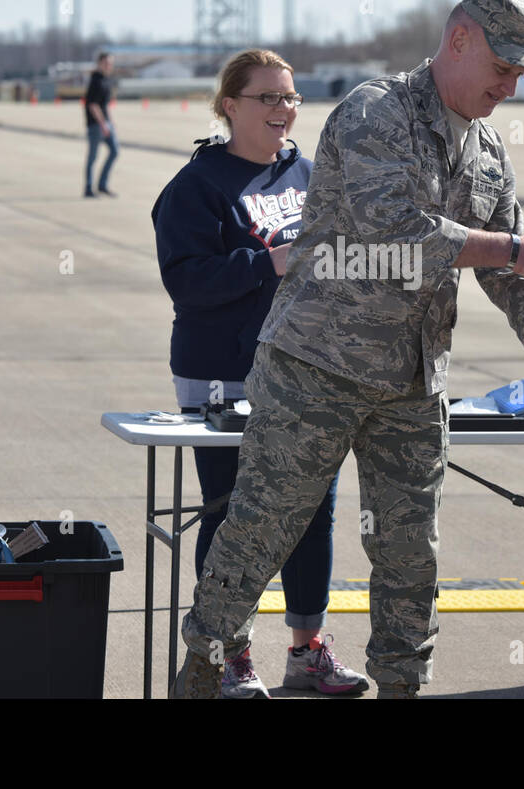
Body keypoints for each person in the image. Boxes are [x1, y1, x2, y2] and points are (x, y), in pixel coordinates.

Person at [171, 0, 524, 699]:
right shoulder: (377, 111)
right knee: (258, 532)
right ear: (459, 38)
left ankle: (404, 686)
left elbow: (501, 260)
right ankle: (204, 670)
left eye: (518, 74)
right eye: (501, 68)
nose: (508, 86)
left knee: (411, 555)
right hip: (317, 365)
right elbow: (400, 232)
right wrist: (517, 251)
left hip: (413, 382)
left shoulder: (490, 151)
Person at [152, 49, 369, 699]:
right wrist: (264, 264)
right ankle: (223, 656)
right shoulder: (197, 186)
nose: (283, 109)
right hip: (224, 375)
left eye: (291, 97)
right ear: (229, 105)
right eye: (267, 97)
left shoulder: (310, 174)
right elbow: (185, 283)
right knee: (230, 518)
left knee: (311, 514)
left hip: (310, 373)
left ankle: (307, 651)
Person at [83, 51, 118, 198]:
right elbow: (93, 105)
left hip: (105, 123)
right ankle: (89, 188)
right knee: (93, 157)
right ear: (100, 64)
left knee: (114, 151)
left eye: (110, 63)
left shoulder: (106, 80)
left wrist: (111, 122)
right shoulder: (95, 80)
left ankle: (102, 185)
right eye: (106, 63)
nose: (109, 66)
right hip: (96, 125)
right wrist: (103, 124)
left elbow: (105, 105)